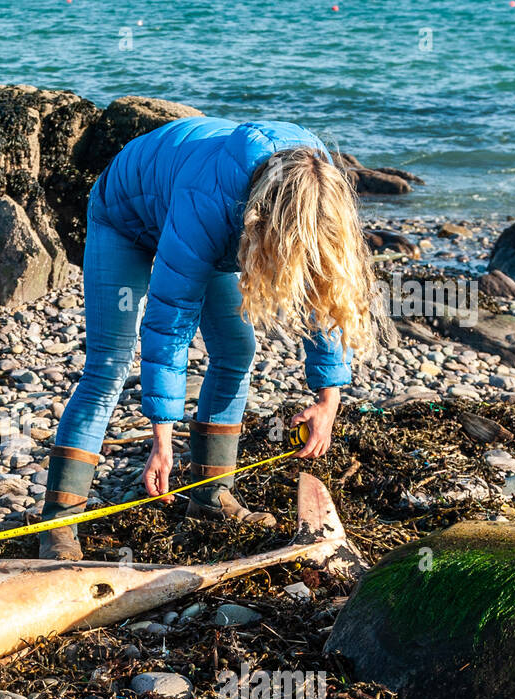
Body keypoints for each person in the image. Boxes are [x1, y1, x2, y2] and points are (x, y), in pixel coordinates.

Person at [39, 117, 384, 560]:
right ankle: (59, 522)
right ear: (266, 224)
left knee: (236, 349)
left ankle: (211, 497)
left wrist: (327, 399)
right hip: (126, 219)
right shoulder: (207, 205)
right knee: (110, 364)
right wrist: (161, 440)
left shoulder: (319, 188)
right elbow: (169, 320)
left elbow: (324, 288)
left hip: (209, 214)